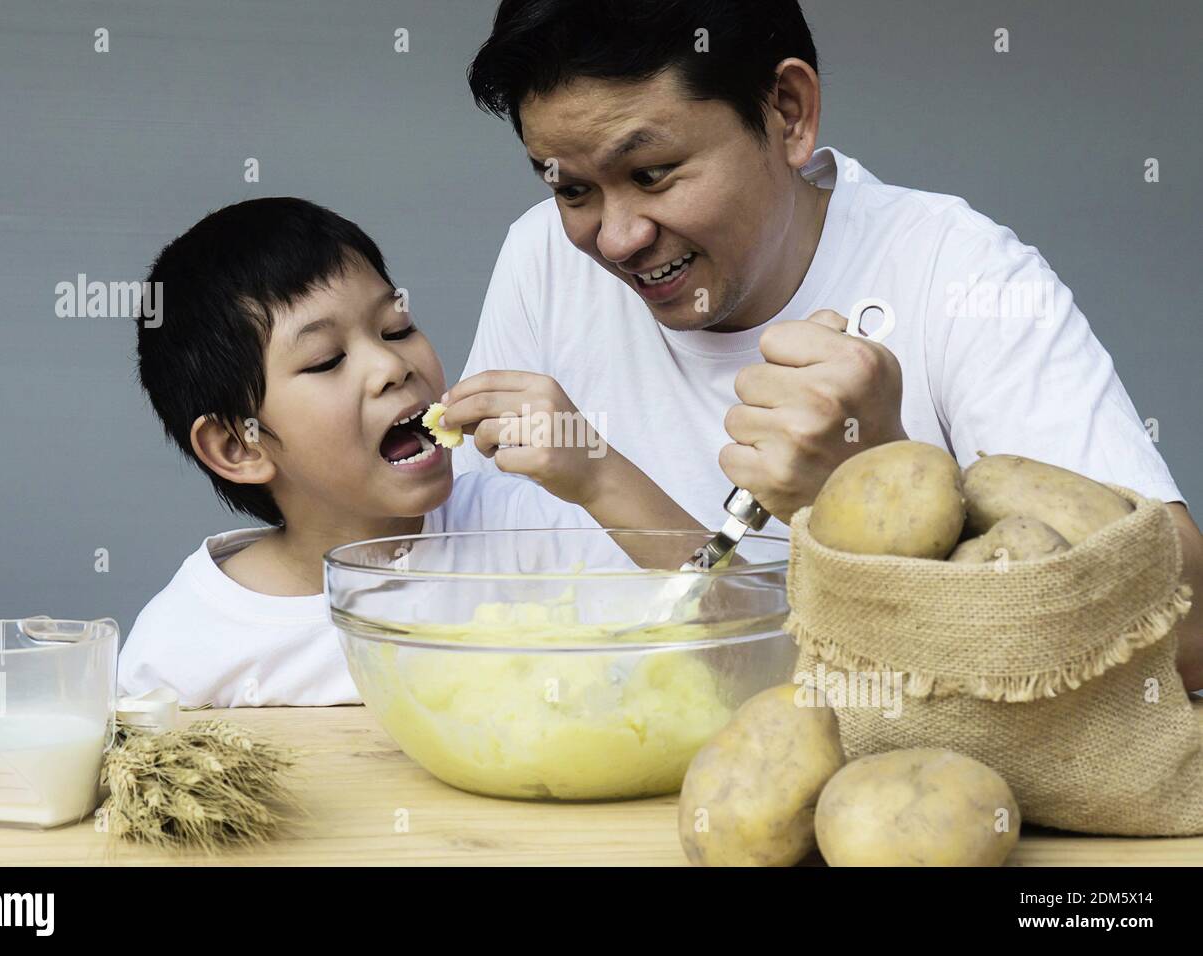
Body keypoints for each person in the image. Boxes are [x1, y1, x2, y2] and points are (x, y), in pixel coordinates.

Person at [449, 0, 1203, 689]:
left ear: (788, 111)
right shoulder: (541, 257)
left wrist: (872, 482)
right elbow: (454, 580)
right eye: (571, 189)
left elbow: (1190, 633)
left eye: (653, 174)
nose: (615, 238)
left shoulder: (960, 270)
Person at [118, 197, 698, 707]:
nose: (392, 366)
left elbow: (731, 624)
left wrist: (599, 476)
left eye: (396, 329)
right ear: (237, 445)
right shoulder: (184, 646)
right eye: (326, 361)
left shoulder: (522, 530)